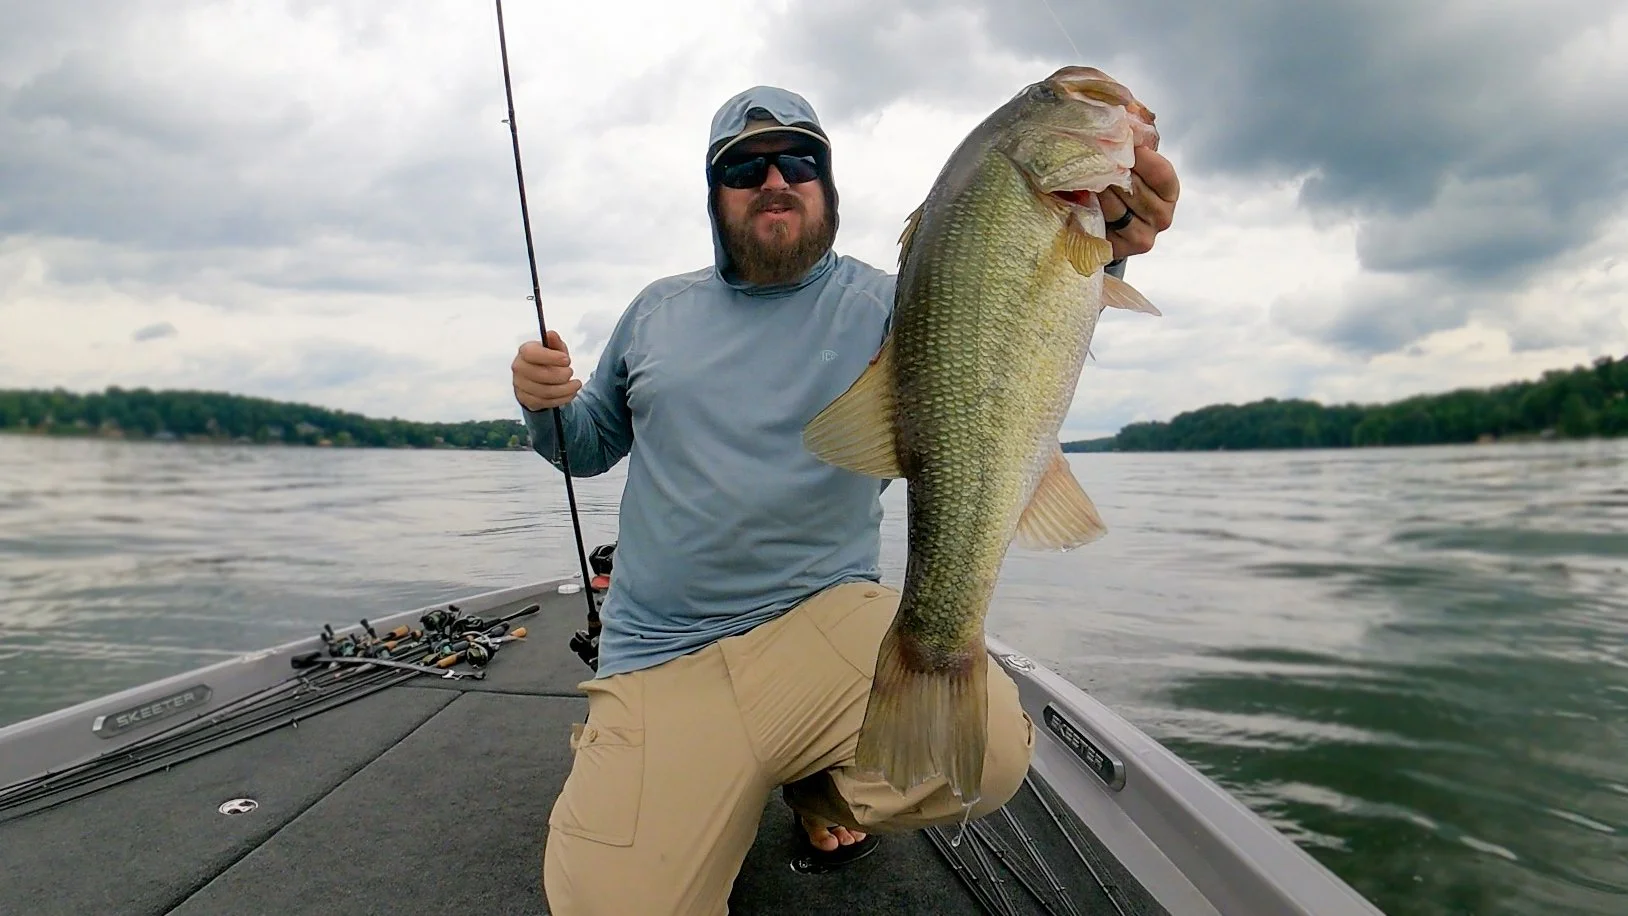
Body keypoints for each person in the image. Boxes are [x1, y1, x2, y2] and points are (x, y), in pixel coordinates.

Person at [513, 81, 1179, 915]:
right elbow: (589, 444)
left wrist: (1107, 240)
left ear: (828, 184)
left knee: (990, 752)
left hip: (824, 624)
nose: (775, 179)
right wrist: (545, 406)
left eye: (800, 160)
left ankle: (815, 790)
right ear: (714, 195)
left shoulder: (892, 304)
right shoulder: (653, 313)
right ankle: (728, 777)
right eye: (745, 167)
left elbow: (1002, 314)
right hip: (664, 654)